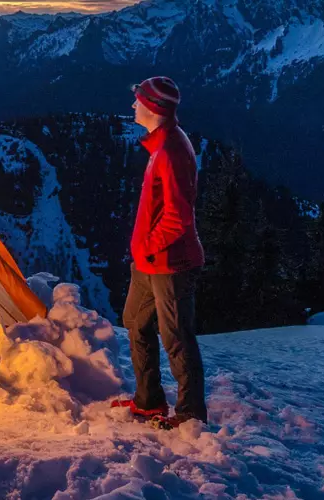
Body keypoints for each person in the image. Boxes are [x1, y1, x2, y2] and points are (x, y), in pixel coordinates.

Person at [113, 76, 207, 428]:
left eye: (137, 101)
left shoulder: (170, 151)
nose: (132, 106)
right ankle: (149, 400)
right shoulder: (162, 145)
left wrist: (149, 250)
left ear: (152, 108)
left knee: (177, 337)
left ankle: (190, 414)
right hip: (150, 261)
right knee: (135, 322)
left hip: (169, 263)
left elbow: (178, 217)